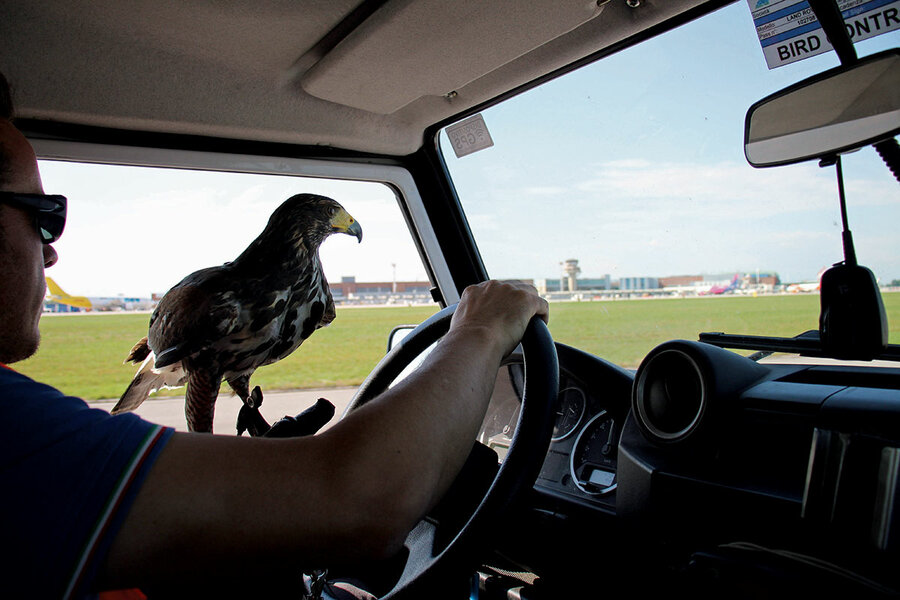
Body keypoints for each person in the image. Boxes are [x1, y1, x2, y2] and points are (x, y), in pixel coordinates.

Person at [0, 72, 549, 598]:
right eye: (44, 215)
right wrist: (479, 330)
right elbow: (359, 506)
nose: (51, 250)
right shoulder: (17, 434)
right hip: (184, 358)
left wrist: (262, 464)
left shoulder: (316, 304)